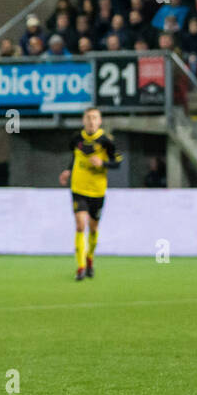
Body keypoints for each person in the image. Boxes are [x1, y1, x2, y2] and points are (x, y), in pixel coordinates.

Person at [59, 107, 122, 281]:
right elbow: (75, 157)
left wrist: (102, 163)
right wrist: (68, 170)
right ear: (83, 120)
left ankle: (90, 258)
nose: (91, 121)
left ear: (100, 121)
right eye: (88, 118)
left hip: (97, 191)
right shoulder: (76, 139)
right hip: (78, 189)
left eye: (95, 118)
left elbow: (117, 162)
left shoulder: (106, 141)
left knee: (93, 228)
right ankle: (80, 267)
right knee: (80, 225)